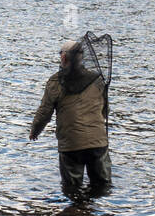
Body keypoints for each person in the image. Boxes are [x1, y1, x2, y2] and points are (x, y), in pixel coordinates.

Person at [28, 40, 111, 198]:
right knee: (102, 186)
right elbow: (105, 110)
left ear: (64, 58)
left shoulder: (54, 82)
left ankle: (75, 214)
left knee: (72, 190)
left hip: (71, 146)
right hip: (98, 143)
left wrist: (35, 131)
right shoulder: (97, 80)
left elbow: (44, 112)